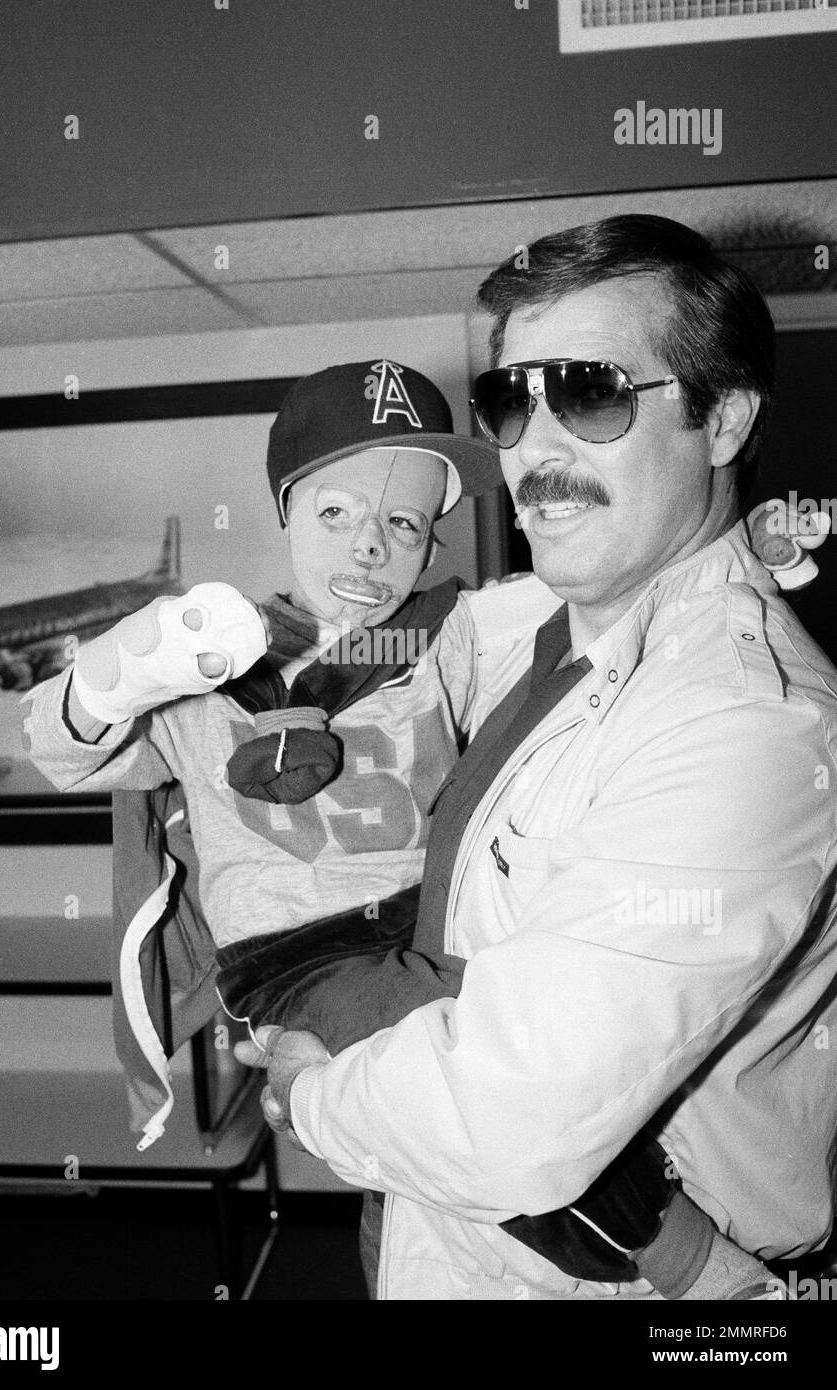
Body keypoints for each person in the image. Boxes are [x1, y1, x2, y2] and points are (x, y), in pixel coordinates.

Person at [236, 214, 837, 1302]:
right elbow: (373, 641)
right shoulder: (536, 626)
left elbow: (511, 1114)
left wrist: (300, 1093)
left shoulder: (745, 726)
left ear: (723, 419)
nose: (537, 449)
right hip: (441, 1237)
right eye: (511, 400)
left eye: (592, 392)